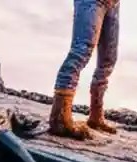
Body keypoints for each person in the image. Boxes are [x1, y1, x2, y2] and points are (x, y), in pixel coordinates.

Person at [50, 0, 123, 141]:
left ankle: (96, 116)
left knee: (108, 60)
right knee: (81, 51)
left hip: (113, 4)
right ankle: (59, 119)